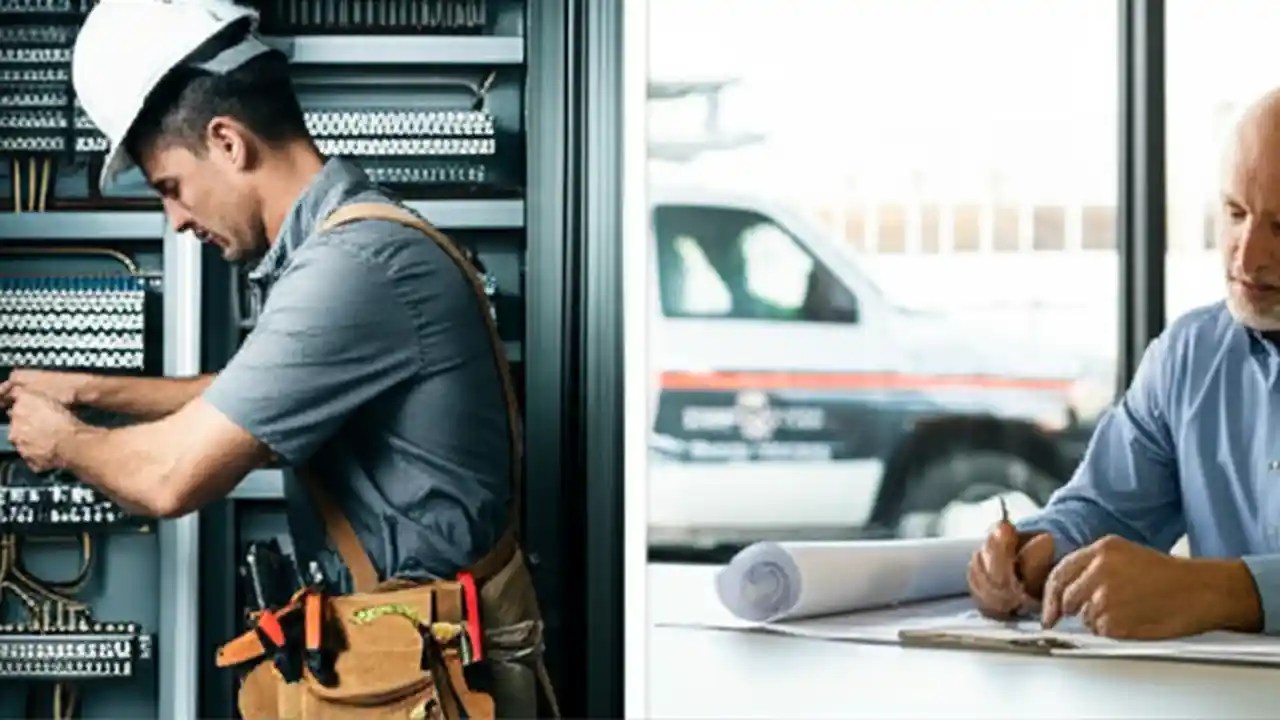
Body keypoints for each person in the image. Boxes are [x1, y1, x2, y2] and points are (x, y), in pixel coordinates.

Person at [0, 0, 511, 591]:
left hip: (424, 666)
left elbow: (170, 476)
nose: (176, 220)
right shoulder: (344, 249)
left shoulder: (353, 266)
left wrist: (64, 440)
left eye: (172, 187)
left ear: (227, 143)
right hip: (401, 653)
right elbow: (261, 403)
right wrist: (90, 391)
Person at [967, 86, 1280, 640]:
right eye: (1235, 213)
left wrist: (1216, 591)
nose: (1247, 256)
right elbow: (1107, 510)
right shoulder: (1190, 356)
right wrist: (1036, 557)